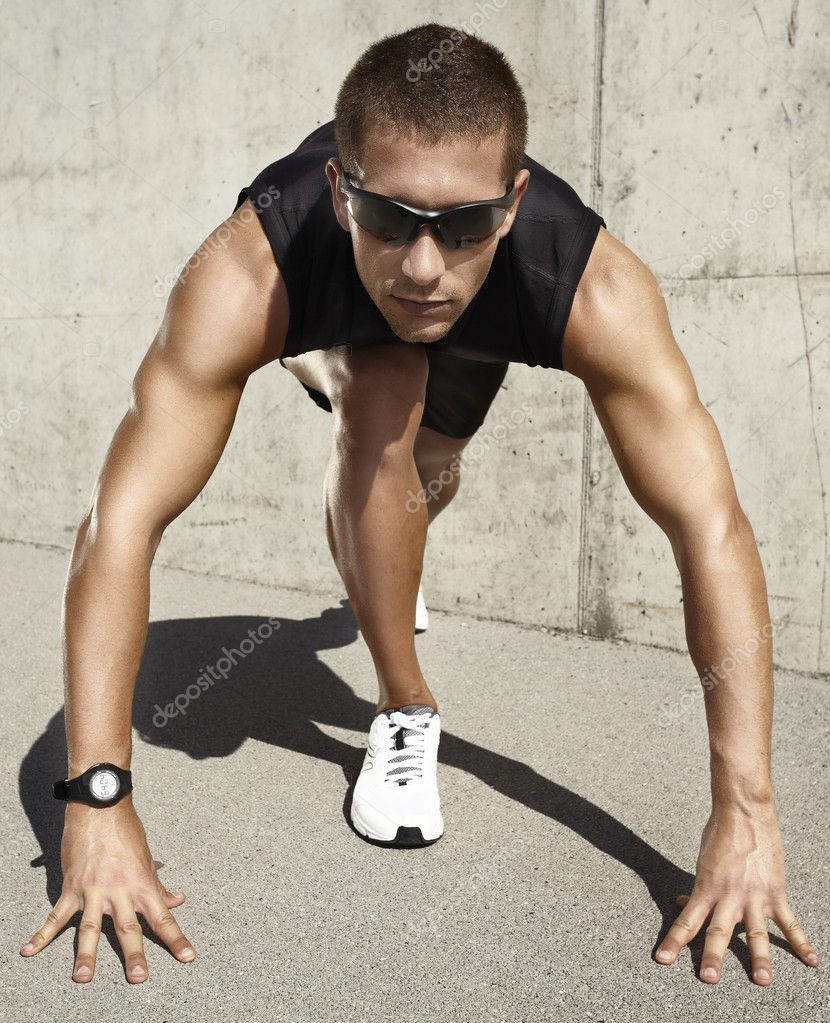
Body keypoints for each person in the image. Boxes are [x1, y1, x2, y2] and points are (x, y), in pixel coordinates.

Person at [19, 21, 820, 991]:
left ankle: (378, 564)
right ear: (336, 190)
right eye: (390, 219)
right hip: (336, 331)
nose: (424, 266)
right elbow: (119, 524)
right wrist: (98, 801)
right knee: (379, 400)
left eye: (463, 224)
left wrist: (746, 811)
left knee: (423, 476)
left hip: (473, 346)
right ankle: (404, 704)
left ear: (513, 201)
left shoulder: (584, 280)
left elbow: (709, 527)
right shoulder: (248, 265)